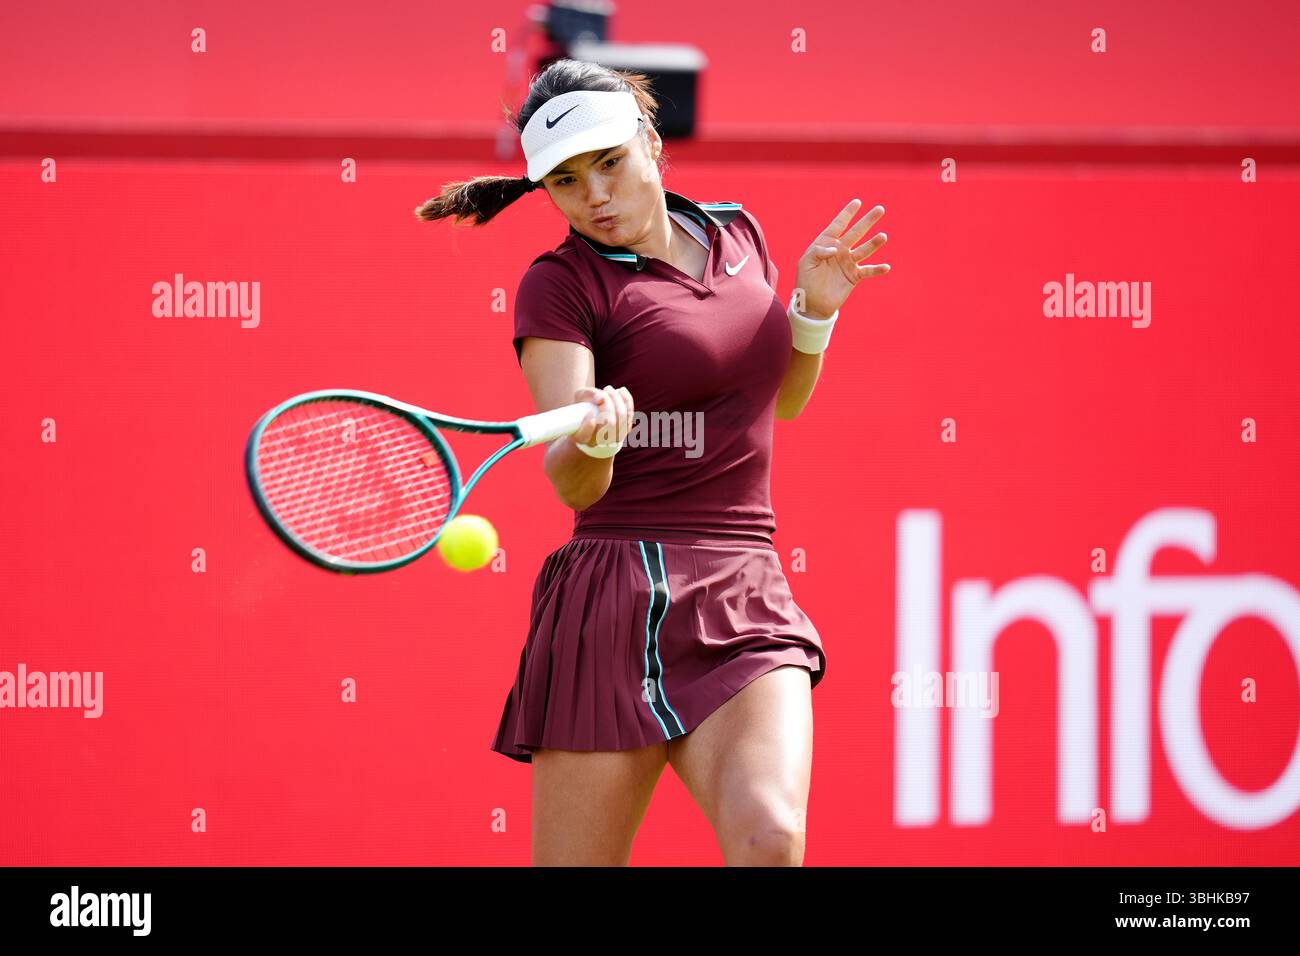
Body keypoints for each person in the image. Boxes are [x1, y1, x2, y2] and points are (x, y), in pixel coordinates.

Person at [414, 59, 889, 865]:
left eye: (609, 163)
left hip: (744, 590)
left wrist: (811, 312)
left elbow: (782, 403)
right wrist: (596, 440)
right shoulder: (559, 287)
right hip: (614, 599)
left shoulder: (737, 232)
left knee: (770, 836)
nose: (595, 195)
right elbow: (570, 474)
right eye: (566, 182)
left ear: (651, 145)